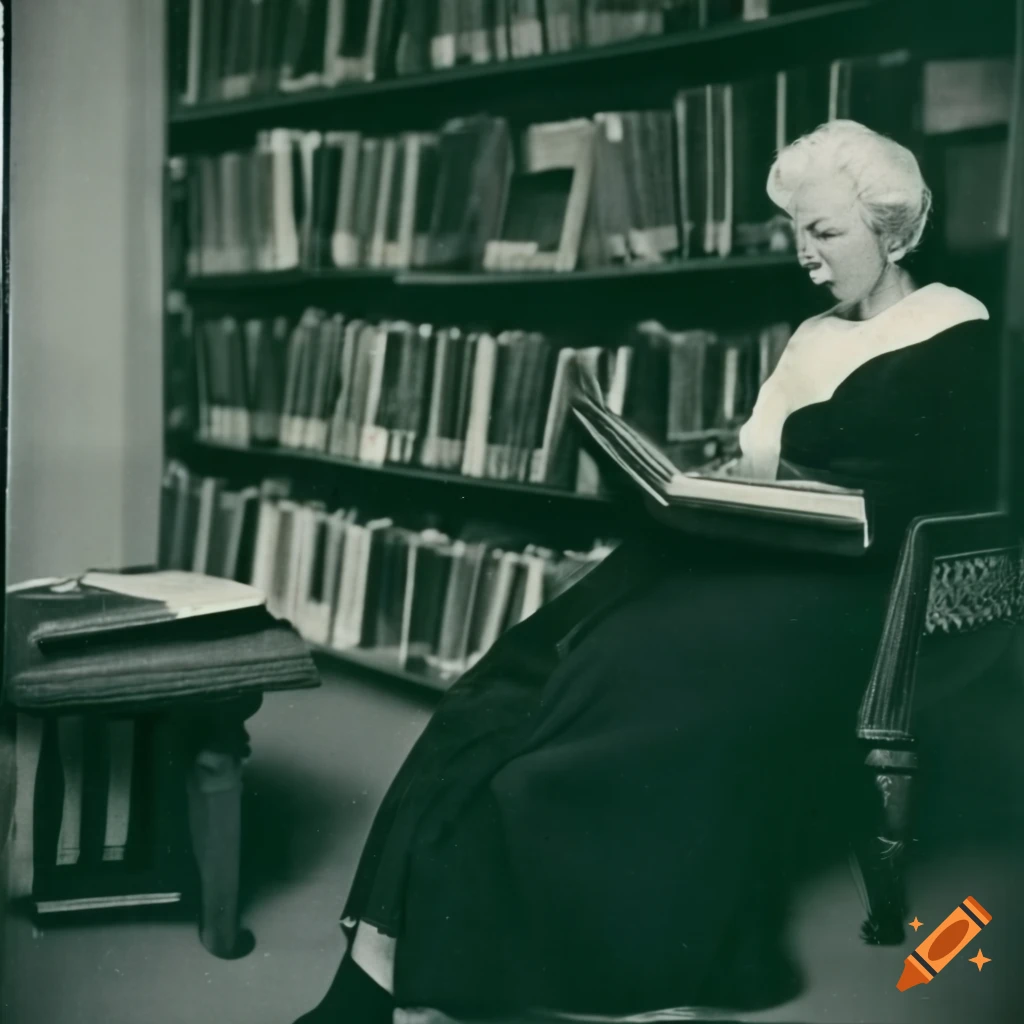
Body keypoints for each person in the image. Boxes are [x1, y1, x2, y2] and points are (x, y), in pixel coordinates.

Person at [293, 120, 1000, 1023]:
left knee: (597, 709)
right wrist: (684, 483)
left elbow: (924, 501)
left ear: (893, 230)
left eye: (826, 233)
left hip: (847, 598)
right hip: (744, 561)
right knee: (515, 680)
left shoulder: (957, 332)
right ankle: (383, 967)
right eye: (797, 232)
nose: (806, 257)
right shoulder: (813, 334)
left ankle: (545, 967)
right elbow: (764, 463)